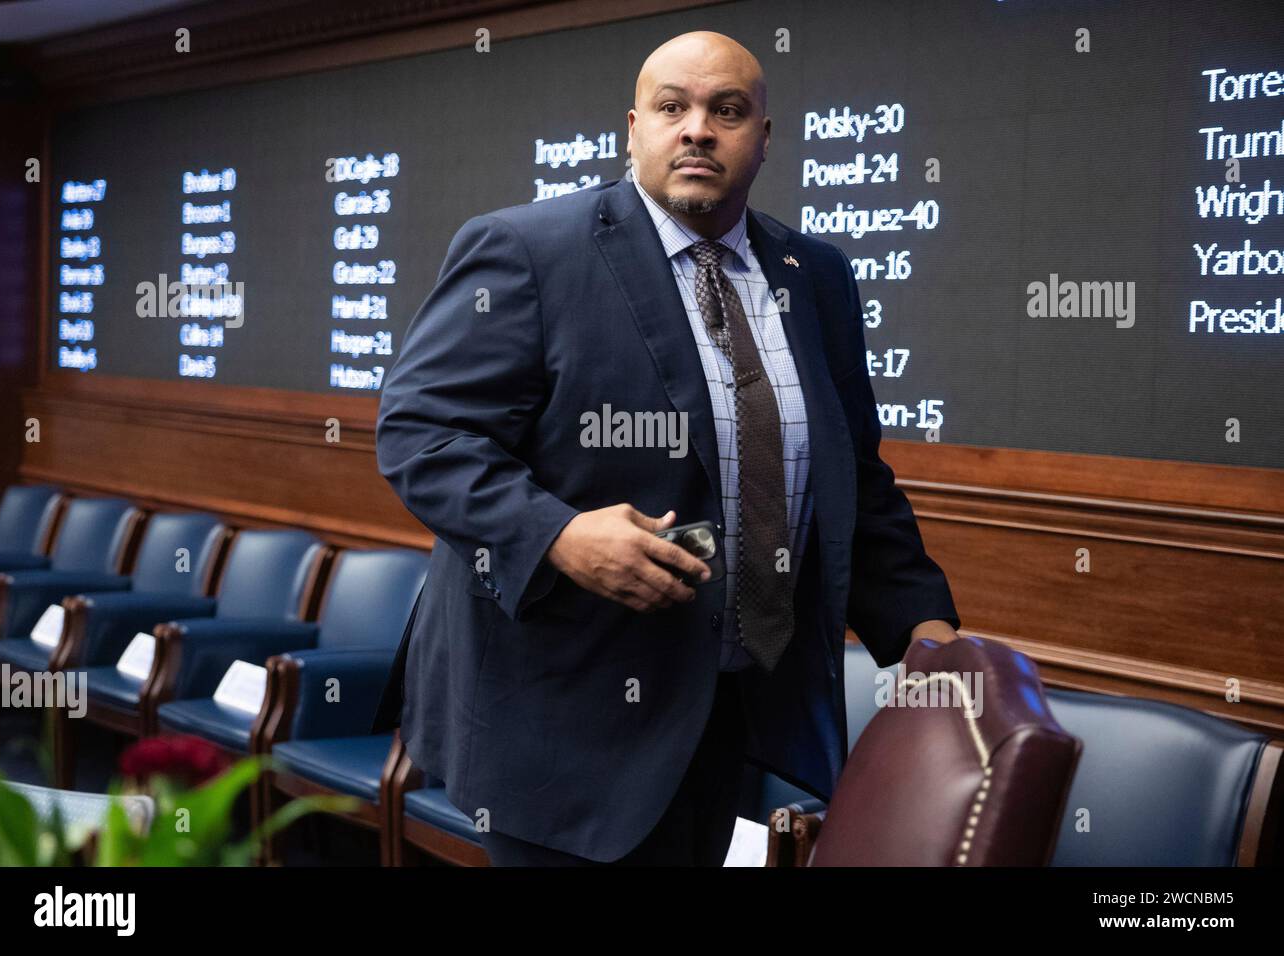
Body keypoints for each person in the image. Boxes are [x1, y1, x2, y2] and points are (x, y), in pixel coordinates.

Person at [372, 30, 960, 865]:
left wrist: (927, 636)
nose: (698, 129)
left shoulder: (815, 276)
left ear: (764, 138)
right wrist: (560, 537)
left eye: (727, 111)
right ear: (633, 128)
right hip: (562, 721)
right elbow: (424, 435)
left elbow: (851, 482)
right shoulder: (528, 251)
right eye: (673, 107)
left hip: (735, 716)